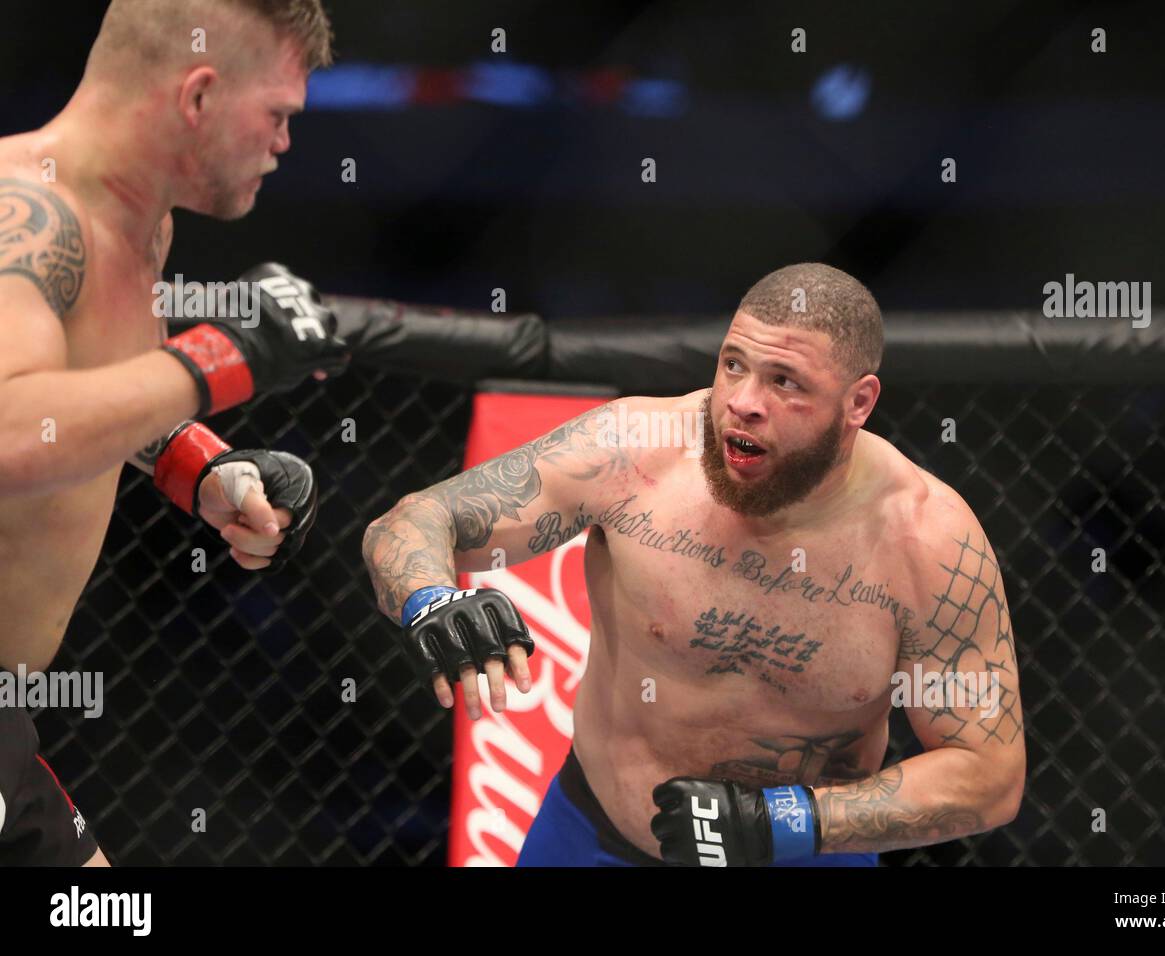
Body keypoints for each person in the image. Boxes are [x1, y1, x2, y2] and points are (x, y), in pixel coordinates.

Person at [363, 263, 1026, 866]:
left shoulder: (926, 541)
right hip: (598, 842)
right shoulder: (631, 454)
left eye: (784, 382)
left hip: (808, 857)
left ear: (857, 403)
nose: (743, 401)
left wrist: (785, 823)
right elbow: (416, 521)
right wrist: (431, 599)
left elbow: (988, 774)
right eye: (734, 365)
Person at [0, 0, 342, 866]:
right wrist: (224, 355)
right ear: (198, 96)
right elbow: (9, 431)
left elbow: (85, 395)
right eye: (278, 115)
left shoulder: (142, 223)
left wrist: (205, 470)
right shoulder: (27, 217)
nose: (285, 144)